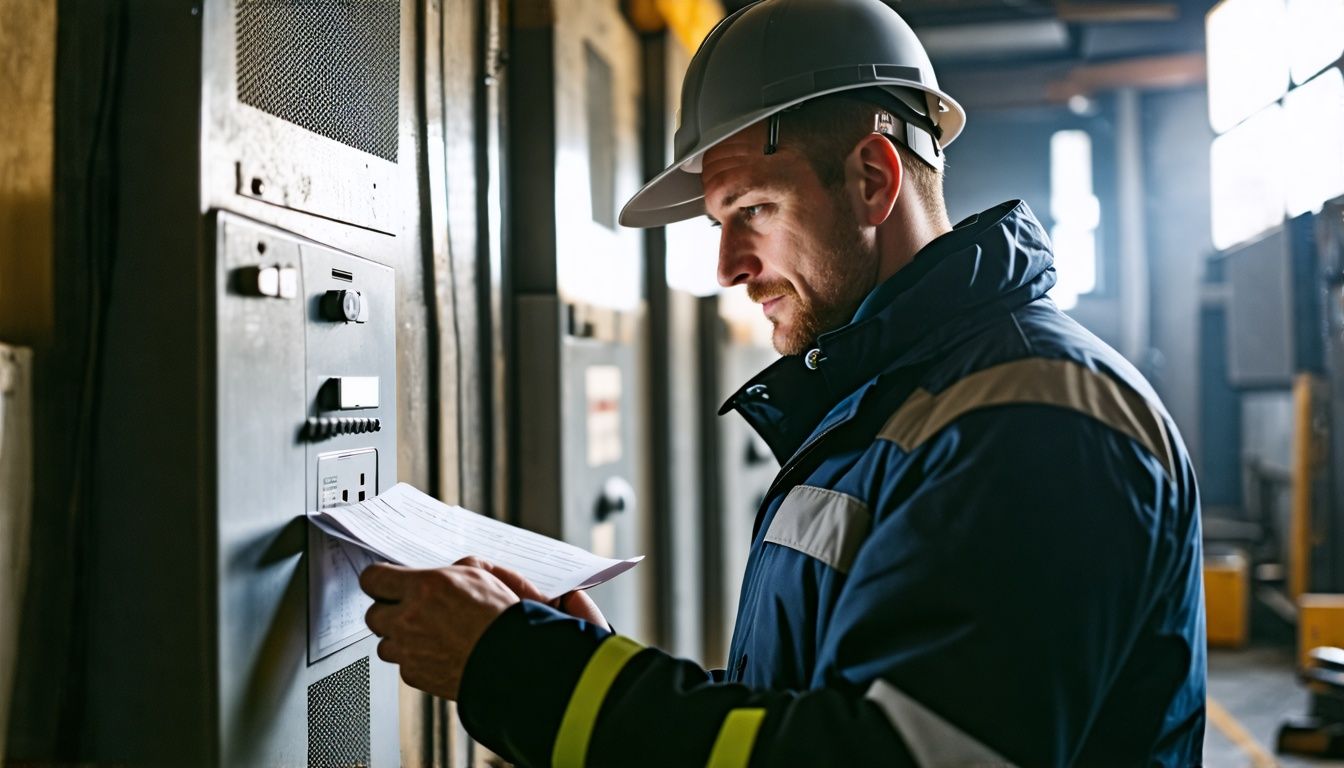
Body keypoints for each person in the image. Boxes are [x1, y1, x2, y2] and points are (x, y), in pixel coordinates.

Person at [359, 0, 1207, 764]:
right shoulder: (885, 409)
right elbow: (810, 710)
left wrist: (531, 676)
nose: (729, 267)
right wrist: (587, 670)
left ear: (872, 179)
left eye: (751, 210)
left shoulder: (1035, 421)